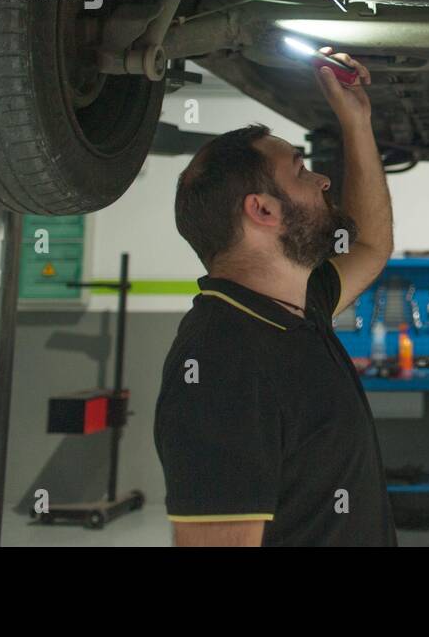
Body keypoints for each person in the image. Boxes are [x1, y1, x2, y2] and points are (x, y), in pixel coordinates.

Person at [154, 48, 397, 546]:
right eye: (301, 170)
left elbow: (370, 245)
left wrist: (356, 122)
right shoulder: (220, 363)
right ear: (262, 209)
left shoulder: (298, 307)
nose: (322, 180)